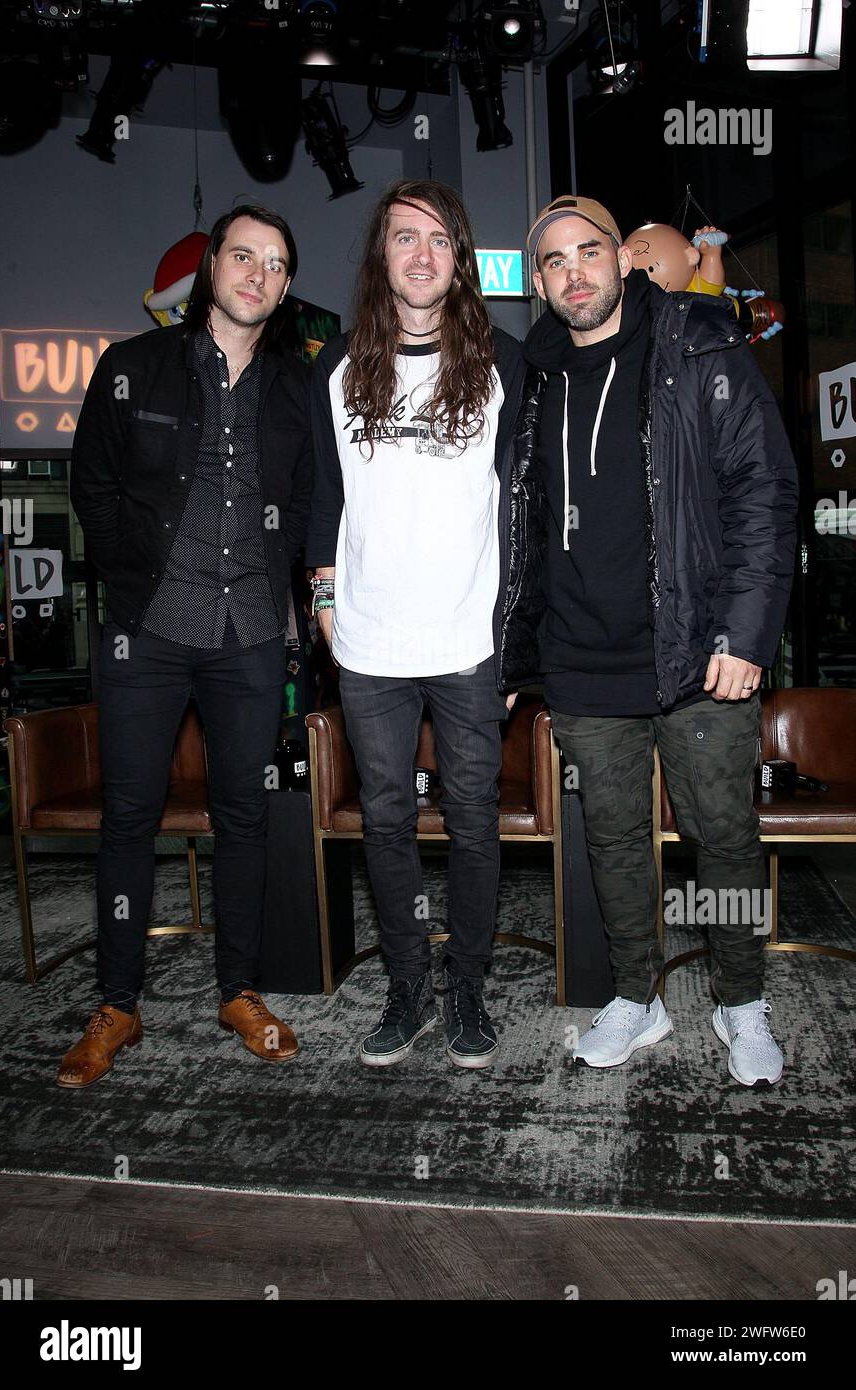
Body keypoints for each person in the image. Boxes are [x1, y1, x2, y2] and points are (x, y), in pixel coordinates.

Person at [498, 195, 798, 1086]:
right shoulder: (533, 377)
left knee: (723, 836)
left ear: (623, 260)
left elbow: (763, 490)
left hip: (699, 651)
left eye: (589, 252)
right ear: (542, 282)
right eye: (554, 261)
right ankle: (639, 995)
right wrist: (518, 649)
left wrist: (745, 632)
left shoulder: (698, 347)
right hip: (583, 658)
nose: (575, 272)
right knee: (614, 840)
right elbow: (517, 522)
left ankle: (743, 998)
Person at [61, 205, 312, 1087]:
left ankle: (236, 989)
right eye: (244, 256)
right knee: (130, 818)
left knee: (244, 816)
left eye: (276, 264)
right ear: (213, 268)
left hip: (249, 634)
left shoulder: (296, 389)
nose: (259, 273)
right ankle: (118, 1005)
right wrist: (127, 579)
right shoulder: (132, 367)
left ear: (285, 288)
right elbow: (90, 483)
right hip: (150, 631)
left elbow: (313, 505)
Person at [307, 179, 523, 1070]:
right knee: (385, 820)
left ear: (458, 257)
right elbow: (324, 495)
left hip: (469, 640)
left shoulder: (506, 363)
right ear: (382, 256)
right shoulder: (340, 364)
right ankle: (408, 986)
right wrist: (323, 599)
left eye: (439, 239)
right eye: (405, 238)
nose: (423, 254)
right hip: (370, 641)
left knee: (474, 820)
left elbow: (524, 508)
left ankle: (465, 985)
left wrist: (515, 640)